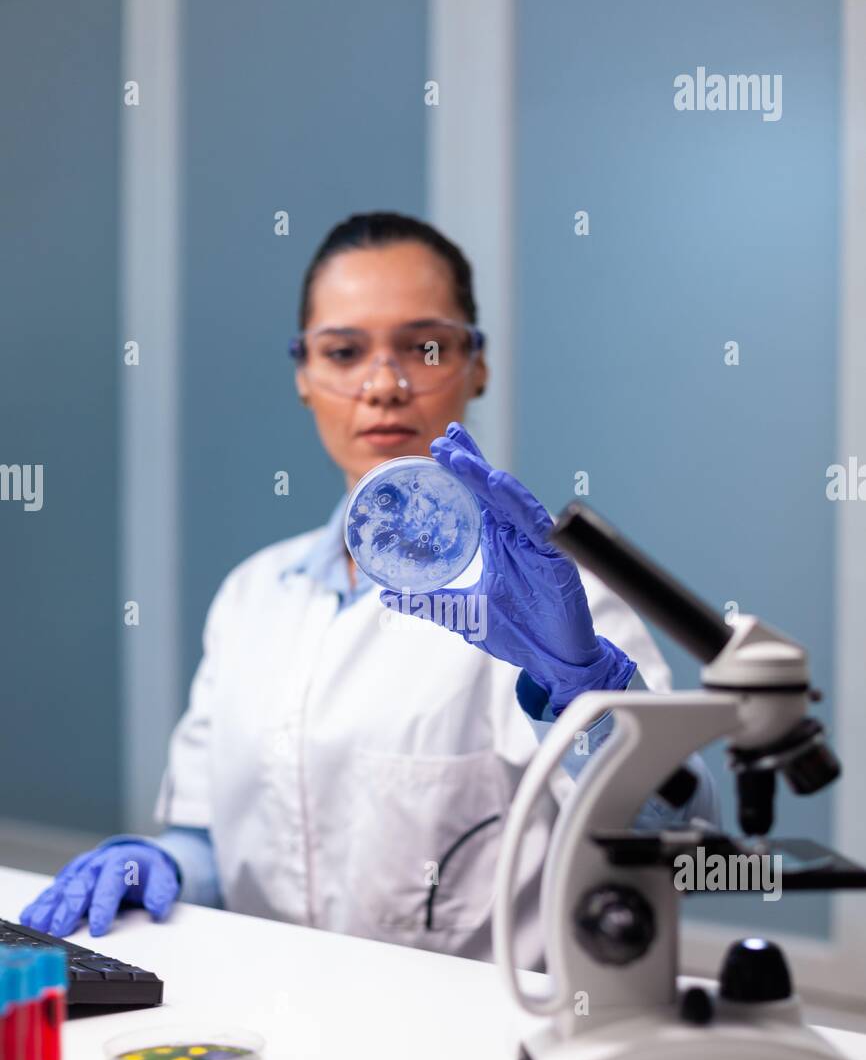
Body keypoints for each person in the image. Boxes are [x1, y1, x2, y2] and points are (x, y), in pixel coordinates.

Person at [21, 212, 717, 967]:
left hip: (472, 1045)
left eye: (424, 348)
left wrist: (577, 681)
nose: (383, 386)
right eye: (344, 351)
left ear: (476, 364)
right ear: (304, 376)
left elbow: (675, 846)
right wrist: (158, 864)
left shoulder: (562, 603)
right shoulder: (254, 595)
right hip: (274, 1028)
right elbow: (216, 843)